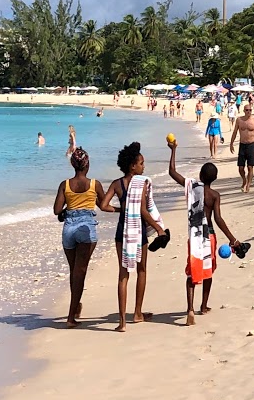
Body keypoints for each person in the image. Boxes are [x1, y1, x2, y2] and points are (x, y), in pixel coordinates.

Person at [166, 137, 249, 324]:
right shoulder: (214, 195)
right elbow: (218, 219)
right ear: (215, 178)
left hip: (195, 237)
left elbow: (172, 172)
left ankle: (190, 310)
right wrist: (233, 239)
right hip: (209, 236)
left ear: (201, 176)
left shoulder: (193, 187)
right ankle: (203, 306)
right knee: (208, 271)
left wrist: (173, 150)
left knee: (192, 272)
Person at [97, 141, 169, 331]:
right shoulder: (142, 183)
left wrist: (122, 209)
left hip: (122, 230)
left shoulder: (117, 184)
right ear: (133, 166)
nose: (144, 167)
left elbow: (103, 205)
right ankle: (137, 313)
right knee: (142, 269)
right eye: (141, 163)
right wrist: (159, 228)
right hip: (138, 231)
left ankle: (121, 322)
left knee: (123, 274)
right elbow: (143, 211)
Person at [52, 147, 100, 327]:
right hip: (86, 228)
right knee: (80, 272)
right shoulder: (94, 184)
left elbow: (57, 210)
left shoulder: (65, 184)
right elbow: (103, 204)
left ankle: (76, 306)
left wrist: (70, 210)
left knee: (74, 271)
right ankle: (71, 317)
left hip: (69, 229)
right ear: (87, 164)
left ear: (73, 165)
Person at [228, 102, 254, 192]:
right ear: (244, 111)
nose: (249, 112)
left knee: (250, 167)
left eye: (250, 110)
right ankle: (244, 180)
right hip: (242, 145)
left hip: (251, 145)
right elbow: (235, 132)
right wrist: (231, 143)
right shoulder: (239, 120)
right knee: (241, 168)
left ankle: (248, 185)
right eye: (247, 110)